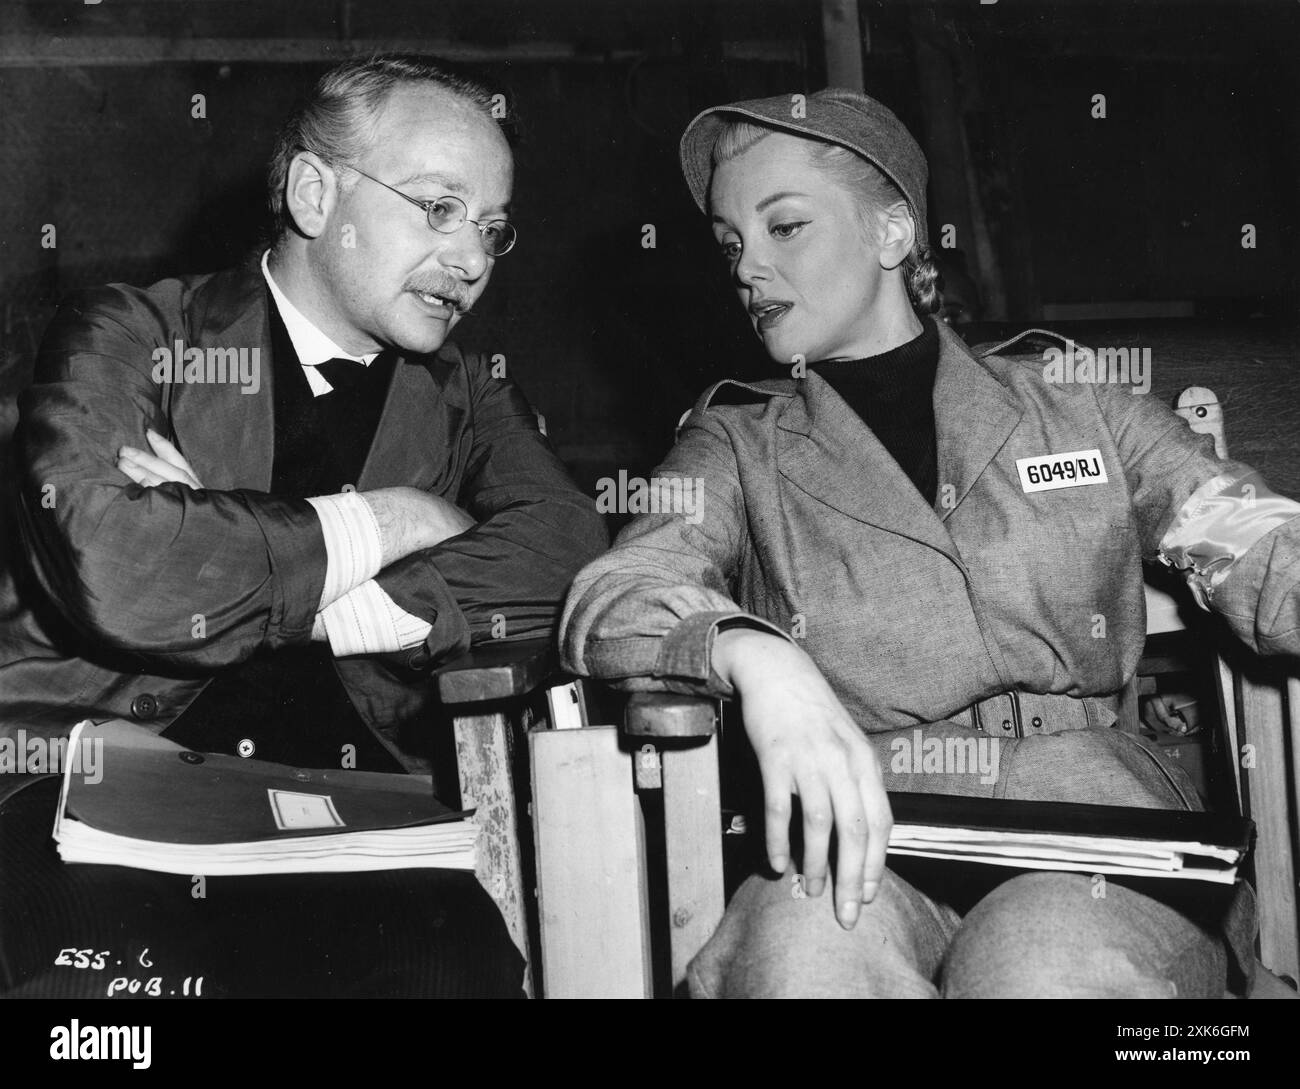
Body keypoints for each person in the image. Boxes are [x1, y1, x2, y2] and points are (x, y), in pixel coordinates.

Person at [561, 88, 1300, 998]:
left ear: (892, 233)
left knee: (1043, 971)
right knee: (795, 967)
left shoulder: (1074, 401)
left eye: (783, 226)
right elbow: (619, 593)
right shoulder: (736, 442)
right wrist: (749, 652)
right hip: (860, 831)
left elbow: (1247, 537)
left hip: (1092, 825)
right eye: (729, 243)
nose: (747, 267)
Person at [0, 54, 606, 997]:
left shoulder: (467, 395)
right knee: (109, 991)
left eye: (492, 228)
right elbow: (115, 566)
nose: (475, 259)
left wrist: (274, 573)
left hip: (348, 804)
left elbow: (567, 542)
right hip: (89, 781)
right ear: (316, 193)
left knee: (454, 978)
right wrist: (399, 516)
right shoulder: (132, 334)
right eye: (440, 209)